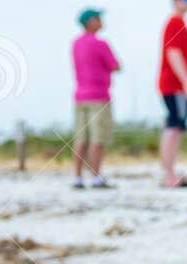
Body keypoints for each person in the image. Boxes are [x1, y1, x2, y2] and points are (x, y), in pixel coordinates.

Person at [72, 9, 121, 189]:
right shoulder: (100, 43)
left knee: (80, 139)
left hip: (80, 96)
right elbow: (115, 65)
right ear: (91, 21)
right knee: (97, 139)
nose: (101, 21)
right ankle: (95, 178)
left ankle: (77, 178)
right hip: (98, 96)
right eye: (98, 18)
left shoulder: (76, 44)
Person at [159, 0, 187, 188]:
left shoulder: (179, 22)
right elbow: (173, 53)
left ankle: (170, 174)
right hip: (174, 86)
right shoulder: (175, 23)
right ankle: (169, 176)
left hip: (174, 85)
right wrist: (186, 83)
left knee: (174, 127)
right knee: (174, 128)